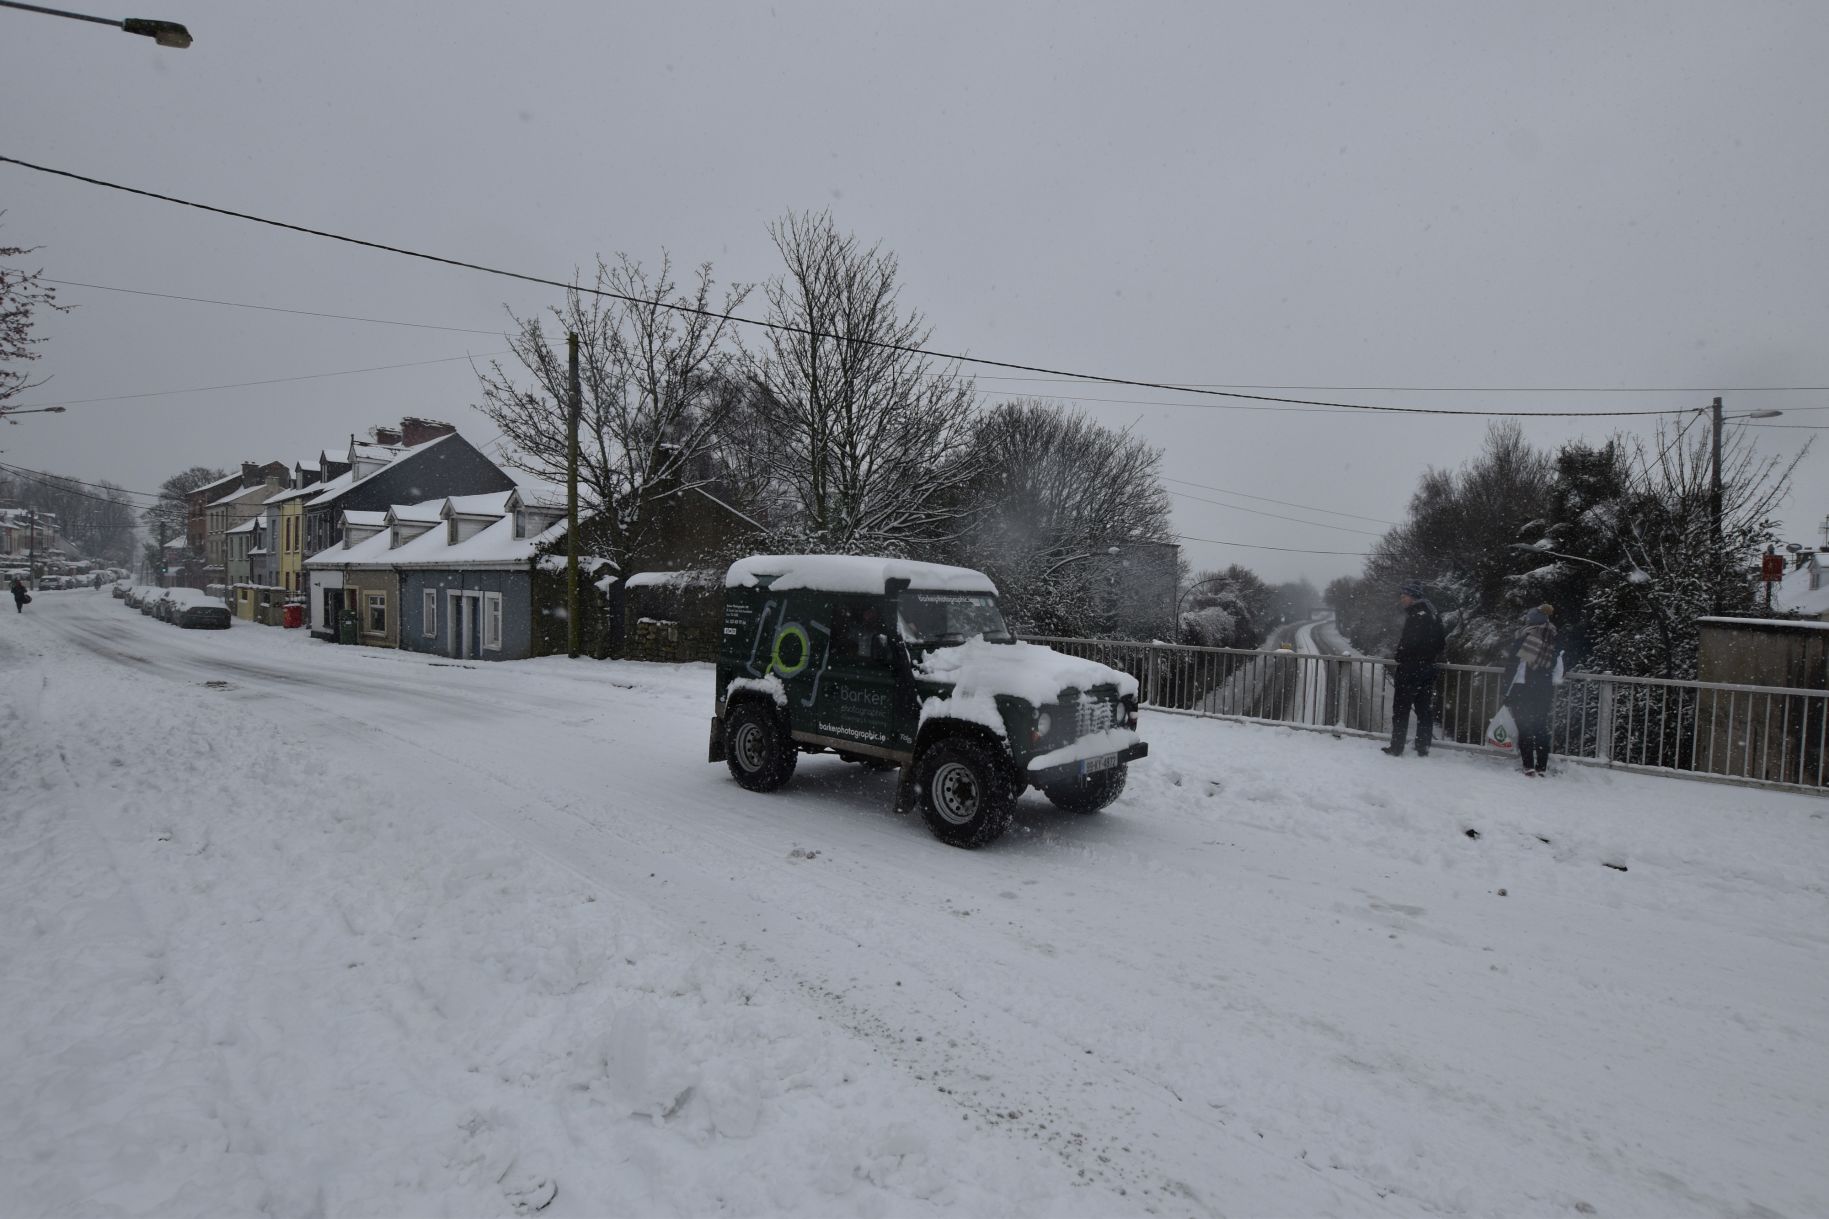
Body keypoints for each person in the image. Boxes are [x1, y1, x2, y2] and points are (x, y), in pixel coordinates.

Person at [1383, 580, 1445, 757]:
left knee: (1401, 709)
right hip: (1428, 669)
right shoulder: (1433, 614)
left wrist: (1401, 656)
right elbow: (1441, 643)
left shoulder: (1417, 616)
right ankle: (1423, 745)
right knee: (1424, 709)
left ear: (1412, 596)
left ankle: (1396, 747)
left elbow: (1409, 643)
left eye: (1404, 596)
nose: (1401, 599)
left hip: (1411, 669)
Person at [1507, 604, 1559, 777]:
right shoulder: (1552, 635)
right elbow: (1556, 663)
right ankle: (1541, 767)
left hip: (1523, 687)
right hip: (1543, 688)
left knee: (1524, 726)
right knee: (1540, 727)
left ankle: (1528, 766)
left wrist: (1507, 691)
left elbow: (1515, 665)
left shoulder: (1526, 636)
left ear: (1531, 620)